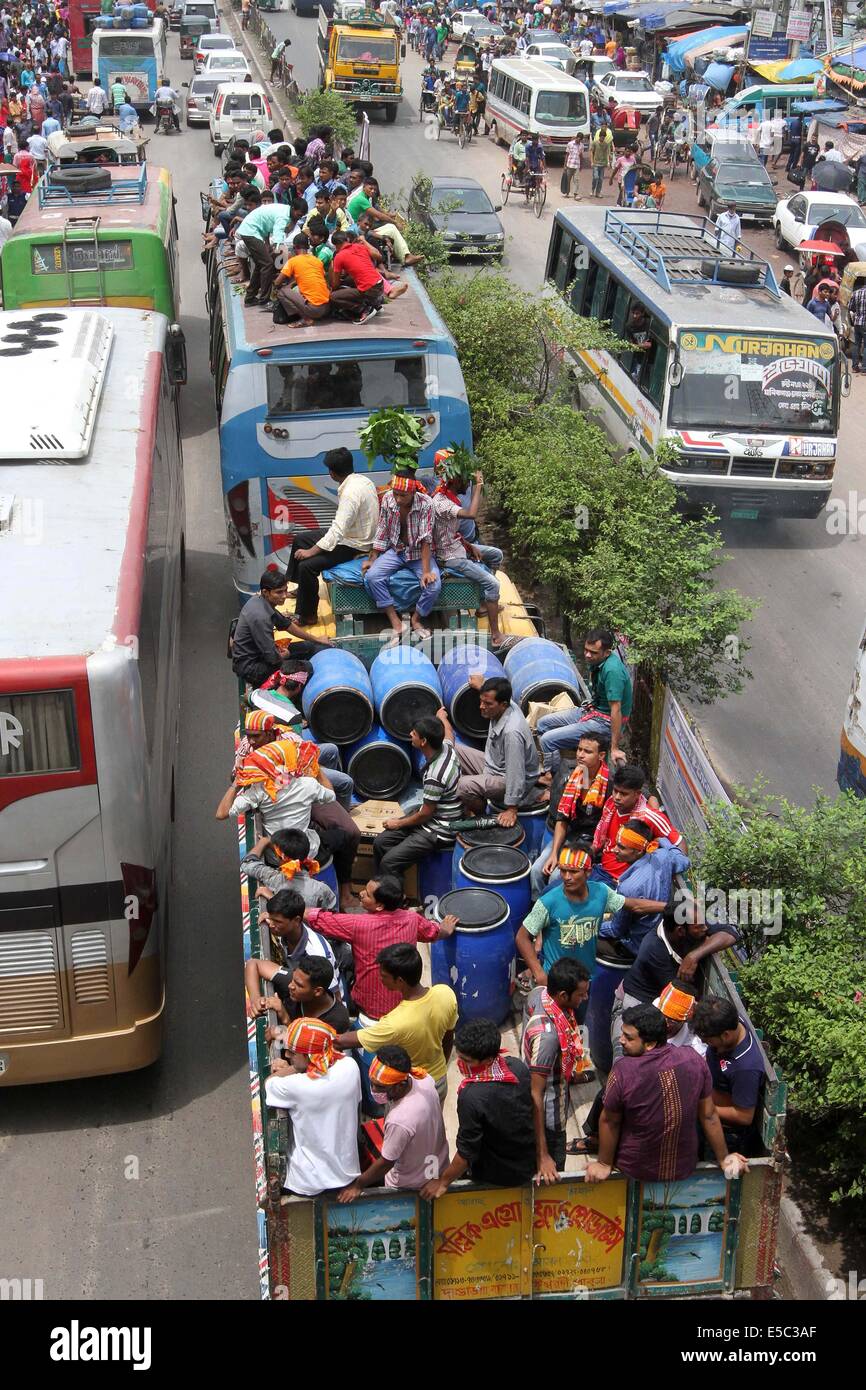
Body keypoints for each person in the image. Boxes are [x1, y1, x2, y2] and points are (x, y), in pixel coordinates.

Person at [584, 1004, 747, 1185]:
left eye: (628, 1038)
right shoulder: (693, 1059)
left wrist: (604, 1163)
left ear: (650, 1044)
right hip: (684, 1169)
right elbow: (708, 1115)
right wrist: (724, 1158)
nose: (621, 1040)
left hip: (636, 1170)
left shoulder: (624, 1071)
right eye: (622, 1034)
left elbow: (610, 1121)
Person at [306, 878, 456, 1021]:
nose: (361, 893)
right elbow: (433, 932)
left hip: (369, 1009)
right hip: (404, 1006)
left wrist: (298, 905)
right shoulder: (412, 919)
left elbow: (320, 919)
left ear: (379, 906)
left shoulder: (357, 923)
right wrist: (445, 929)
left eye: (368, 894)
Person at [420, 1018, 536, 1197]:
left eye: (467, 1061)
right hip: (526, 1163)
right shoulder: (517, 1067)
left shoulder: (471, 1097)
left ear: (489, 1059)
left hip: (495, 1174)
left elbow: (467, 1152)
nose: (460, 1064)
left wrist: (443, 1182)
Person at [336, 944, 458, 1103]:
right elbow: (449, 1037)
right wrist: (441, 1064)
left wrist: (319, 1037)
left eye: (384, 976)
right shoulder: (445, 994)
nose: (380, 979)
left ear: (400, 981)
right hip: (439, 1081)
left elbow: (347, 1041)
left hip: (412, 1091)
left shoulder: (395, 1023)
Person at [264, 1017, 362, 1196]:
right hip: (346, 1176)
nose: (287, 1055)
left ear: (309, 1056)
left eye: (293, 1052)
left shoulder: (297, 1086)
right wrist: (303, 1065)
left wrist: (290, 1069)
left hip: (308, 1182)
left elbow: (269, 1082)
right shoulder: (350, 1067)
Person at [337, 1046, 449, 1201]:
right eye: (373, 1083)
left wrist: (358, 1185)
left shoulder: (400, 1120)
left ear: (400, 1085)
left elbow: (386, 1163)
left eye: (381, 1087)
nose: (374, 1090)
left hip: (410, 1185)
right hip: (436, 1168)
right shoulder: (424, 1079)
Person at [283, 447, 379, 625]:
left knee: (307, 566)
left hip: (355, 544)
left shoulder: (350, 493)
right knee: (299, 540)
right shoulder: (362, 480)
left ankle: (307, 615)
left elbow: (337, 530)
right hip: (352, 535)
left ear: (332, 473)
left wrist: (311, 551)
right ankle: (301, 588)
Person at [522, 958, 590, 1183]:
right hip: (550, 1122)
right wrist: (543, 1155)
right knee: (551, 1179)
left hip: (557, 1087)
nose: (584, 998)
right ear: (562, 995)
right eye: (580, 995)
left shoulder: (539, 993)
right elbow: (535, 1094)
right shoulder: (549, 1037)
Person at [373, 715, 462, 885]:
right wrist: (442, 716)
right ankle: (383, 890)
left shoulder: (435, 776)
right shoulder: (447, 748)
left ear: (424, 741)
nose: (410, 735)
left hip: (438, 829)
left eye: (414, 733)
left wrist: (398, 823)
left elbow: (426, 814)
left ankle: (395, 904)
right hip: (429, 817)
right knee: (380, 842)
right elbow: (449, 733)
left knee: (389, 862)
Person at [444, 675, 542, 826]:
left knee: (463, 786)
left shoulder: (512, 733)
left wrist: (512, 809)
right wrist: (481, 686)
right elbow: (495, 693)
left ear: (502, 704)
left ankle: (481, 813)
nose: (481, 706)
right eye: (481, 701)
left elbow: (516, 773)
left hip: (507, 778)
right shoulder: (508, 705)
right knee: (451, 751)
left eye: (487, 703)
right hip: (493, 765)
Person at [537, 628, 632, 775]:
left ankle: (551, 778)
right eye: (586, 650)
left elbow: (616, 709)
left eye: (593, 653)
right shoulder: (598, 661)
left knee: (547, 740)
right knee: (542, 723)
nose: (587, 655)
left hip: (605, 723)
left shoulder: (612, 671)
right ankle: (559, 764)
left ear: (607, 653)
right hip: (592, 711)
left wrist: (614, 748)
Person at [430, 456, 503, 644]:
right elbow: (471, 514)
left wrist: (469, 545)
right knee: (493, 584)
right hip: (451, 556)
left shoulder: (449, 497)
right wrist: (479, 485)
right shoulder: (442, 502)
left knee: (496, 555)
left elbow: (451, 531)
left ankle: (483, 602)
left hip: (458, 545)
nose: (468, 486)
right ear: (455, 480)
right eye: (466, 481)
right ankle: (495, 634)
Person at [217, 735, 337, 845]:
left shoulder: (259, 790)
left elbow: (221, 814)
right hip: (305, 849)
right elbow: (331, 796)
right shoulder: (308, 784)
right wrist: (316, 767)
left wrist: (236, 783)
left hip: (275, 853)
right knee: (339, 835)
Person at [362, 471, 441, 639]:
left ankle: (416, 619)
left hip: (419, 553)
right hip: (397, 550)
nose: (398, 499)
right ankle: (396, 623)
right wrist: (372, 559)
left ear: (413, 492)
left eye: (403, 496)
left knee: (434, 585)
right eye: (396, 494)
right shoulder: (388, 499)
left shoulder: (426, 503)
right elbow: (382, 529)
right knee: (372, 577)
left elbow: (426, 539)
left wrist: (426, 572)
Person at [530, 730, 610, 896]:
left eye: (587, 751)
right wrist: (554, 854)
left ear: (601, 755)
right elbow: (562, 818)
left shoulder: (610, 784)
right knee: (537, 871)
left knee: (555, 878)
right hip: (568, 836)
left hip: (589, 842)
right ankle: (538, 910)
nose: (580, 755)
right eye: (579, 749)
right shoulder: (569, 775)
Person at [230, 569, 331, 688]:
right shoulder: (261, 617)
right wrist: (285, 655)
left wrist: (317, 639)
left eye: (285, 591)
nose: (284, 596)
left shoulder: (260, 601)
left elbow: (287, 625)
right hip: (252, 668)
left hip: (262, 655)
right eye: (279, 592)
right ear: (266, 592)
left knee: (309, 646)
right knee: (307, 667)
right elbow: (273, 658)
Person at [244, 887, 340, 1011]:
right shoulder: (284, 928)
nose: (271, 924)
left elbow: (334, 997)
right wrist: (256, 1002)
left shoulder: (317, 953)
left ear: (296, 920)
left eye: (277, 921)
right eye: (270, 918)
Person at [693, 995, 766, 1156]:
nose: (706, 1044)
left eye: (709, 1041)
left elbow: (744, 1116)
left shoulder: (745, 1068)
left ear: (726, 1035)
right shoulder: (729, 1020)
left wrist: (703, 1108)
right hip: (706, 1111)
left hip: (725, 1133)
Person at [591, 764, 684, 887]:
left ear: (637, 794)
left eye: (623, 794)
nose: (617, 797)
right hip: (601, 870)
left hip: (623, 882)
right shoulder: (610, 805)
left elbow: (680, 843)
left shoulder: (650, 817)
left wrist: (662, 874)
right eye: (615, 791)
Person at [241, 826, 337, 911]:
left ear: (283, 857)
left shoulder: (275, 879)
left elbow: (247, 863)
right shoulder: (322, 889)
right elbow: (331, 913)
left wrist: (262, 843)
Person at [264, 952, 351, 1033]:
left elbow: (306, 1048)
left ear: (317, 991)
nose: (290, 986)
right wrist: (256, 1000)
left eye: (299, 985)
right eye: (293, 979)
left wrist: (285, 1018)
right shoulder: (298, 979)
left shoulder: (337, 1020)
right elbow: (254, 964)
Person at [274, 232, 331, 326]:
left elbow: (277, 282)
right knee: (297, 289)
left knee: (282, 292)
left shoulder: (293, 261)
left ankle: (306, 319)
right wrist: (292, 284)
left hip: (314, 310)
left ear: (294, 247)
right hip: (326, 308)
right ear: (307, 247)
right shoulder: (316, 260)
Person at [654, 979, 705, 1054]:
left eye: (672, 1021)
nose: (666, 1023)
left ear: (685, 1020)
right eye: (663, 1015)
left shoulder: (694, 1046)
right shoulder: (656, 1006)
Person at [590, 124, 614, 197]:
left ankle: (598, 192)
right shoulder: (595, 143)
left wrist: (609, 162)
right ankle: (592, 190)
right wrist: (592, 161)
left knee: (600, 179)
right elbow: (591, 152)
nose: (602, 138)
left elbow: (608, 153)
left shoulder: (606, 144)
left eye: (604, 137)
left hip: (603, 163)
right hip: (596, 163)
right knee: (595, 177)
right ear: (599, 136)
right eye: (602, 137)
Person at [848, 278, 866, 371]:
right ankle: (864, 367)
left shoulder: (856, 293)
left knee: (856, 344)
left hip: (857, 322)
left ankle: (855, 366)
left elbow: (851, 307)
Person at [563, 132, 583, 199]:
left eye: (580, 140)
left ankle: (575, 194)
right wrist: (565, 165)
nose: (578, 140)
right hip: (569, 165)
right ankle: (567, 193)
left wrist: (581, 165)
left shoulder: (581, 146)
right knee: (568, 180)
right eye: (578, 139)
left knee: (576, 180)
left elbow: (581, 156)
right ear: (576, 137)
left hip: (577, 165)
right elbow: (567, 155)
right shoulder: (570, 144)